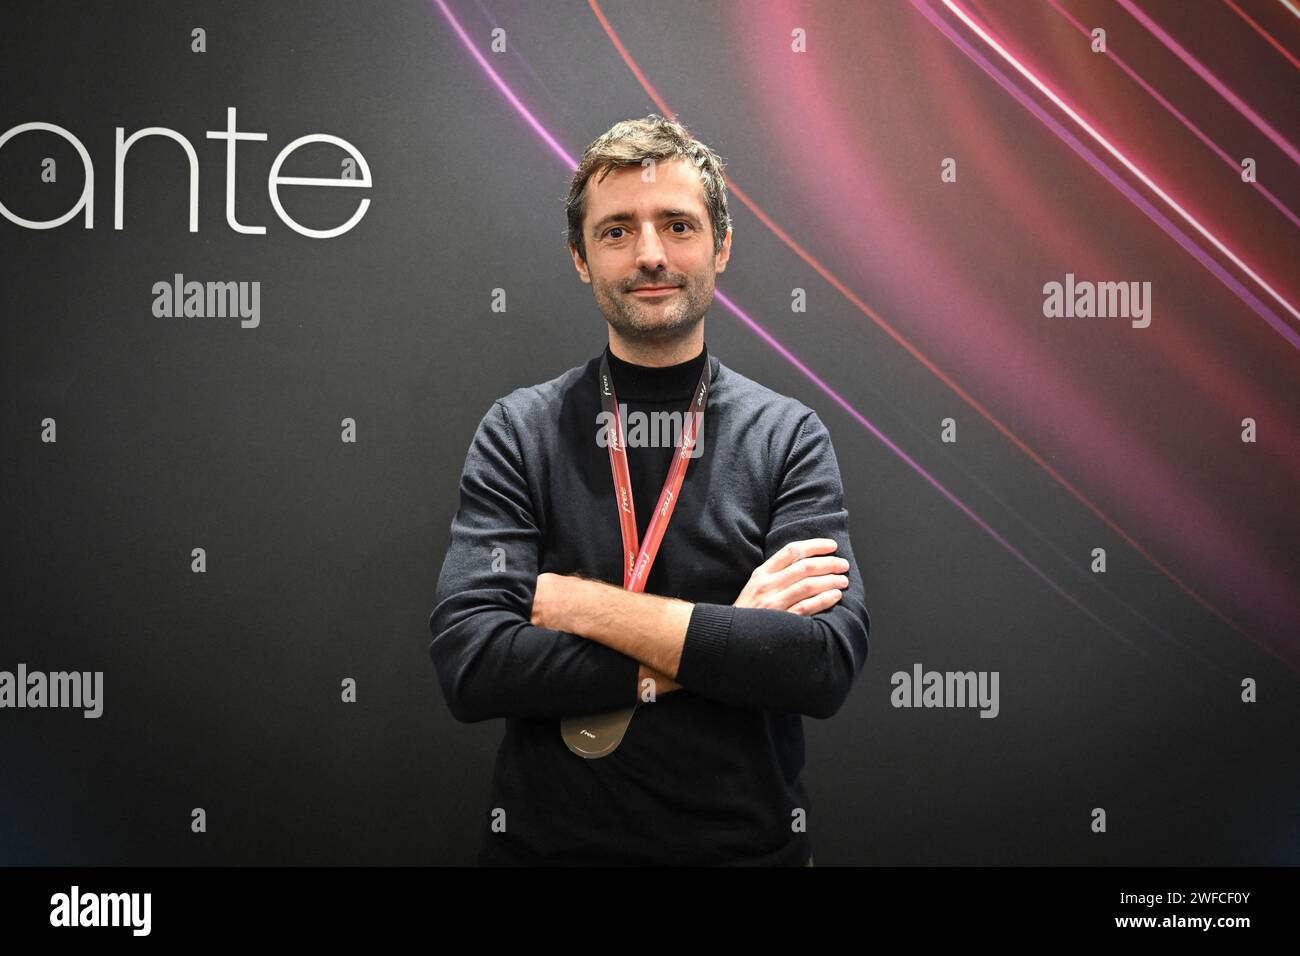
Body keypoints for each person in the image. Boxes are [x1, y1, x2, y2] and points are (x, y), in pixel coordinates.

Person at [428, 114, 870, 866]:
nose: (651, 255)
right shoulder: (520, 430)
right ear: (580, 257)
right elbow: (473, 664)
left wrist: (581, 604)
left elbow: (820, 664)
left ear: (721, 246)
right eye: (616, 231)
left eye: (677, 225)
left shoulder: (786, 435)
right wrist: (729, 633)